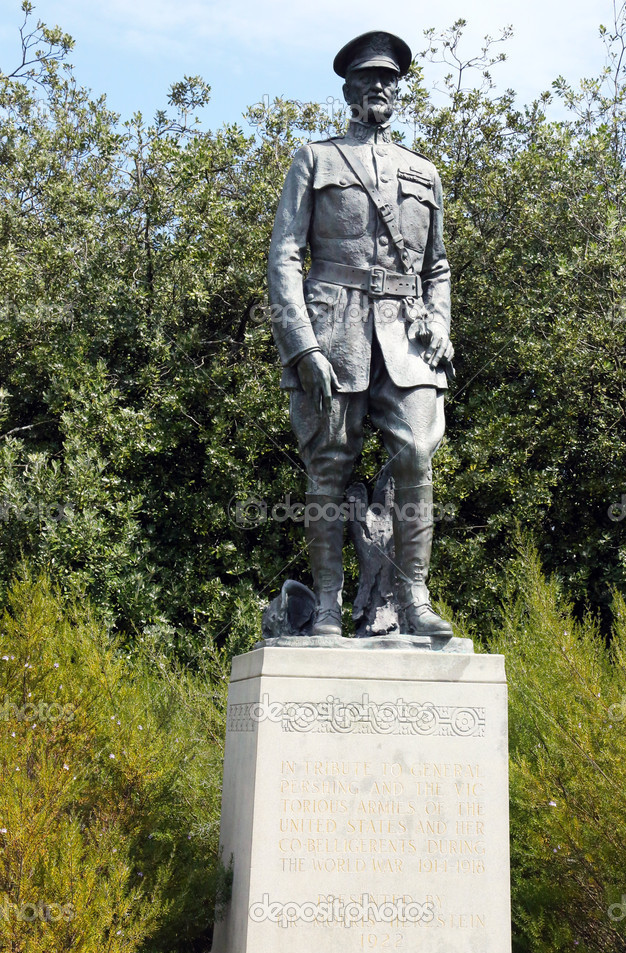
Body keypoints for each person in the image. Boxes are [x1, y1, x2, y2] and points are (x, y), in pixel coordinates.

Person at [267, 30, 454, 639]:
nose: (378, 88)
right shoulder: (315, 160)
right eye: (367, 79)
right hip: (335, 330)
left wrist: (442, 325)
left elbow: (437, 267)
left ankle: (414, 598)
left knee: (418, 456)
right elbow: (285, 256)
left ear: (397, 92)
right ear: (348, 89)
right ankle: (324, 604)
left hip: (407, 338)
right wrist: (303, 346)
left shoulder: (423, 172)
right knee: (328, 467)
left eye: (388, 80)